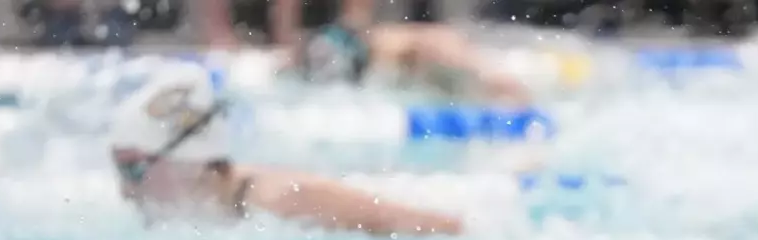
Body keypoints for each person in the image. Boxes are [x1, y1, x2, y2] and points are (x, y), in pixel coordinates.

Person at [109, 63, 463, 236]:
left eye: (133, 170)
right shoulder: (209, 212)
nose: (126, 191)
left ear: (187, 159)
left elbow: (436, 228)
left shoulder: (280, 198)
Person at [197, 0, 532, 105]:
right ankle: (502, 89)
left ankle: (496, 90)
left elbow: (356, 21)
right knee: (429, 43)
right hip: (311, 55)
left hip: (330, 49)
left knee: (430, 46)